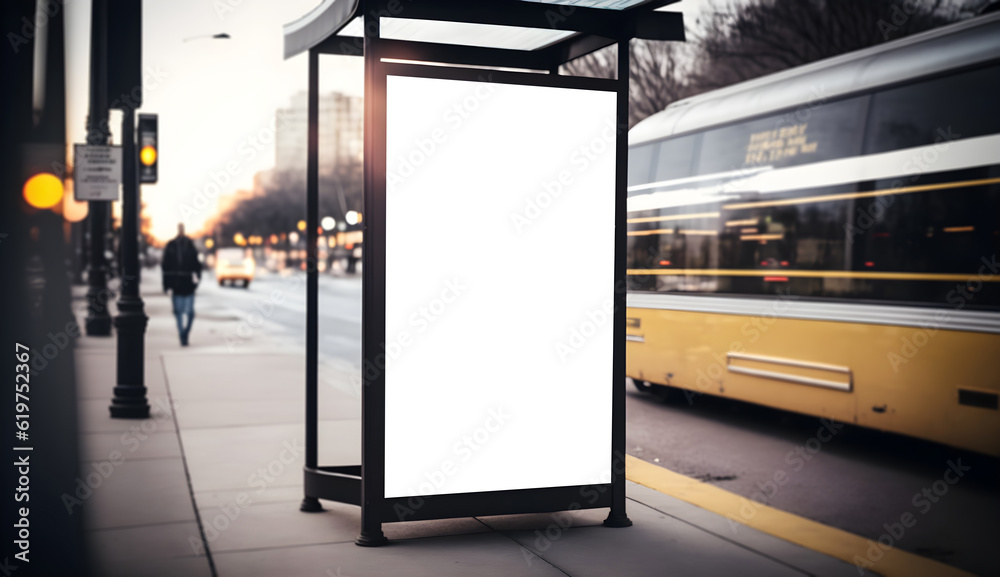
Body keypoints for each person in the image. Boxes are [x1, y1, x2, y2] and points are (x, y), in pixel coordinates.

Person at [161, 223, 202, 346]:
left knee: (190, 313)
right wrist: (166, 285)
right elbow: (165, 266)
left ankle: (185, 333)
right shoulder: (171, 245)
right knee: (178, 312)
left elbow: (197, 264)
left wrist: (197, 280)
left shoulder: (189, 245)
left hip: (188, 284)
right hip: (176, 284)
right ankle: (182, 334)